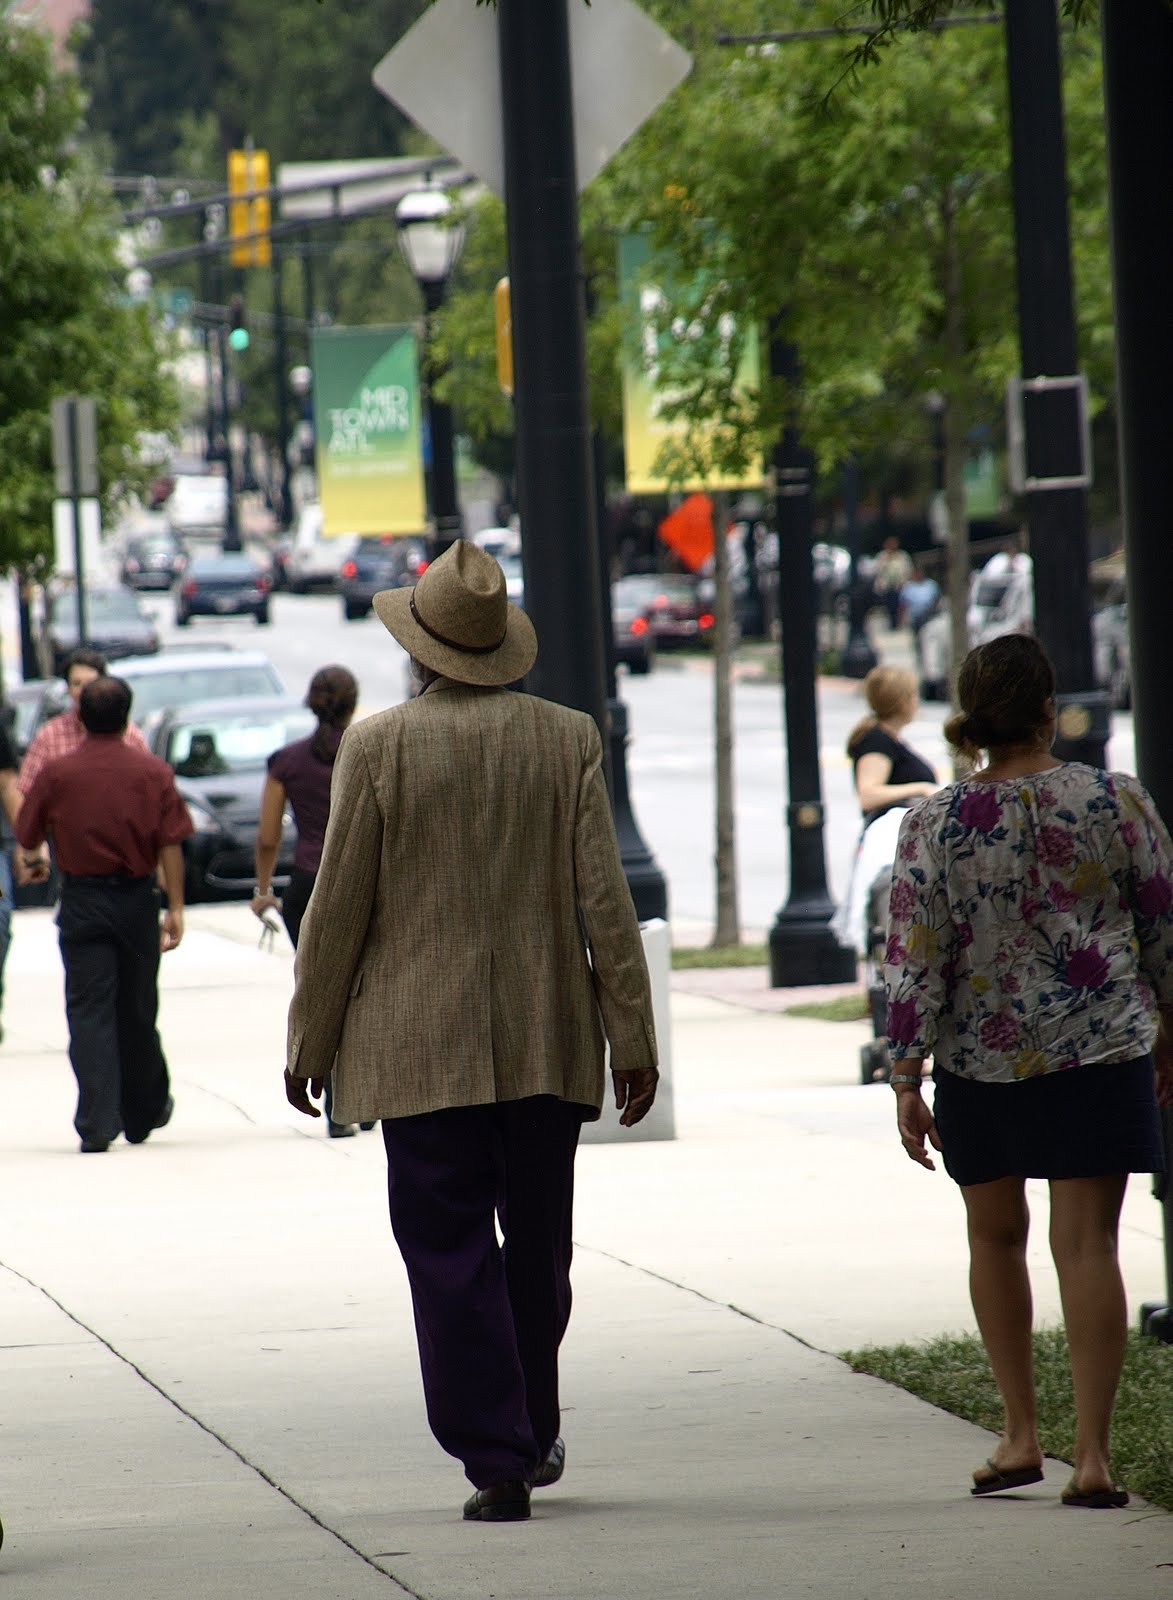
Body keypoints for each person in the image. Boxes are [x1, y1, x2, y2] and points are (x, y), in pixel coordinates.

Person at [284, 540, 659, 1524]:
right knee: (538, 1251)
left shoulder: (375, 747)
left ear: (419, 651)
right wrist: (634, 1033)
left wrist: (308, 1040)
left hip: (418, 1050)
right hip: (546, 1039)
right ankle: (528, 1425)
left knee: (448, 1252)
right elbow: (604, 903)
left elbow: (337, 914)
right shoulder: (567, 737)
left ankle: (500, 1449)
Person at [884, 634, 1173, 1510]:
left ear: (970, 718)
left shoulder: (931, 821)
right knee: (1087, 1244)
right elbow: (1161, 919)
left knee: (994, 1236)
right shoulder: (1111, 800)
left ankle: (1018, 1436)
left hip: (980, 1058)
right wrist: (1168, 1028)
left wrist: (905, 1072)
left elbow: (911, 952)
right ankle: (1090, 1459)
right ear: (1050, 709)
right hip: (1099, 1046)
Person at [14, 677, 191, 1154]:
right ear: (126, 713)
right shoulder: (153, 772)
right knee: (137, 1007)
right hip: (136, 901)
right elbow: (170, 843)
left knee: (89, 1011)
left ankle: (96, 1119)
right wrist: (174, 906)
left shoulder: (57, 773)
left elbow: (26, 832)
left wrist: (39, 853)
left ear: (82, 716)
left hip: (83, 901)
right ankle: (144, 1110)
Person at [252, 664, 371, 1139]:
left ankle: (337, 1104)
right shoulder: (368, 750)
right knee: (372, 987)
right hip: (367, 883)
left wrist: (263, 890)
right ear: (353, 702)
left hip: (309, 884)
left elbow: (266, 837)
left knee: (324, 988)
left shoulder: (287, 762)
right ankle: (370, 1097)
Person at [15, 647, 150, 883]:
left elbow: (149, 794)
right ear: (67, 688)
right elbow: (27, 794)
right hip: (71, 855)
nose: (83, 691)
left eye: (90, 683)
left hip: (124, 852)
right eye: (76, 683)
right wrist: (34, 847)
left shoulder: (130, 735)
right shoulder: (50, 736)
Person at [835, 666, 937, 956]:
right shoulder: (876, 742)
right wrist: (919, 788)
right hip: (888, 845)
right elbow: (868, 793)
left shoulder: (888, 739)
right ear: (904, 700)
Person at [872, 535, 914, 628]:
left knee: (899, 605)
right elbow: (877, 571)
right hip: (886, 586)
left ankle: (898, 623)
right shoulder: (881, 556)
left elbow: (908, 570)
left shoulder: (902, 556)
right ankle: (891, 622)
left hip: (900, 586)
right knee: (888, 606)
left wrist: (903, 581)